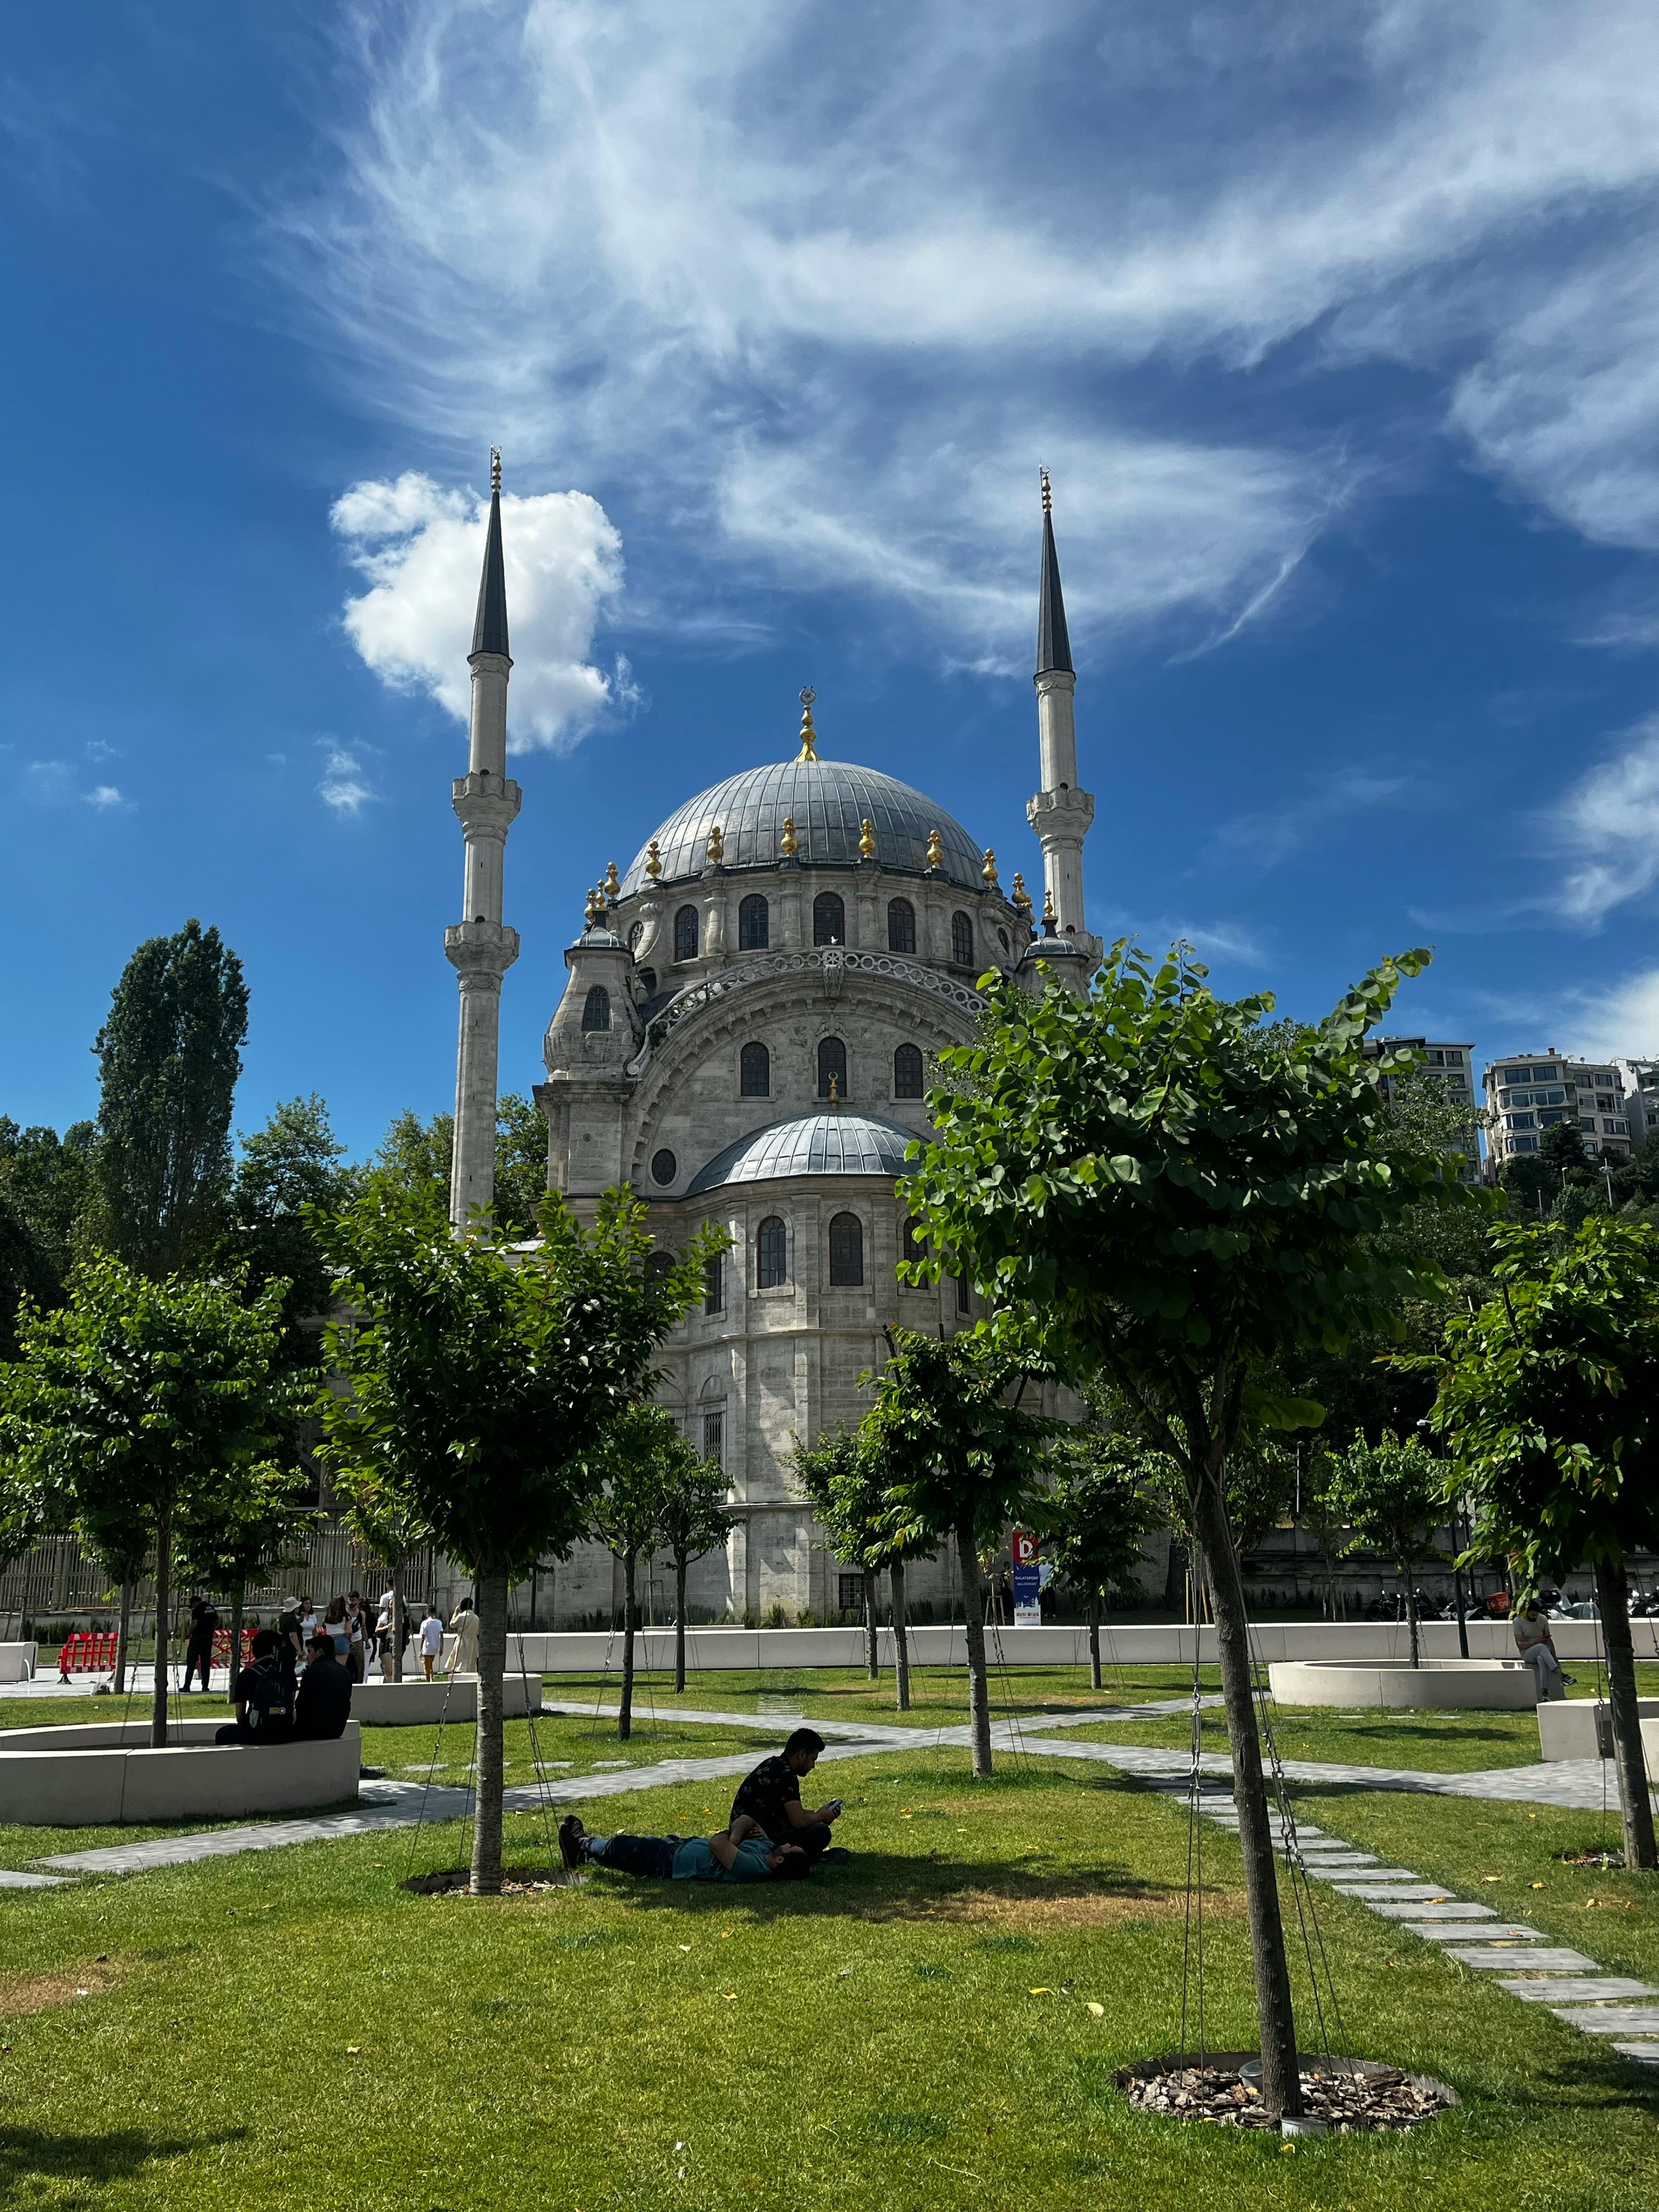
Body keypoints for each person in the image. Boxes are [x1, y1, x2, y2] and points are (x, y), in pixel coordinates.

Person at [558, 1812, 811, 1882]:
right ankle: (580, 1857)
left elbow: (716, 1843)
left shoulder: (753, 1868)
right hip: (679, 1846)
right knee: (625, 1857)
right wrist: (735, 1840)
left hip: (672, 1862)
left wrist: (732, 1839)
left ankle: (582, 1842)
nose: (787, 1844)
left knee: (623, 1846)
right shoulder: (766, 1848)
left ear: (781, 1861)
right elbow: (746, 1819)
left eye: (789, 1849)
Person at [727, 1728, 843, 1860]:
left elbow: (794, 1813)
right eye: (813, 1759)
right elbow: (799, 1821)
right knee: (821, 1832)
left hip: (749, 1834)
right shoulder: (786, 1775)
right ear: (802, 1755)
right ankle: (810, 1858)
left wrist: (819, 1813)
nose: (813, 1766)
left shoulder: (773, 1764)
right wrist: (821, 1816)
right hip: (759, 1840)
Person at [215, 1629, 295, 1745]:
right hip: (285, 1733)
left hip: (257, 1734)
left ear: (254, 1651)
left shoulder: (247, 1674)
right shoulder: (287, 1672)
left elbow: (240, 1715)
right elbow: (292, 1702)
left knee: (222, 1734)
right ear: (274, 1649)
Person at [294, 1630, 354, 1740]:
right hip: (338, 1729)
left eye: (310, 1652)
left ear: (320, 1652)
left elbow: (301, 1704)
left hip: (312, 1729)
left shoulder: (313, 1672)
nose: (307, 1657)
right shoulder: (344, 1672)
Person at [1514, 1600, 1574, 1700]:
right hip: (1527, 1652)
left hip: (1543, 1651)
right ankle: (1561, 1674)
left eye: (1536, 1615)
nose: (1535, 1618)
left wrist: (1554, 1657)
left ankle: (1544, 1693)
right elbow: (1520, 1644)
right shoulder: (1518, 1622)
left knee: (1541, 1659)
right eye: (1532, 1615)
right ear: (1527, 1612)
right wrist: (1536, 1641)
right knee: (1541, 1646)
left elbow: (1548, 1639)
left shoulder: (1543, 1619)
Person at [182, 1594, 221, 1694]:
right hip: (208, 1638)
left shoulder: (197, 1609)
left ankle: (187, 1686)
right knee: (206, 1663)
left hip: (197, 1638)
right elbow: (216, 1621)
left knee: (191, 1662)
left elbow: (194, 1623)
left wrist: (188, 1633)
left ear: (195, 1603)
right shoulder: (211, 1608)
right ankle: (205, 1686)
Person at [448, 1596, 481, 1677]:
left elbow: (452, 1624)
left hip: (462, 1641)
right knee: (471, 1662)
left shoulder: (462, 1616)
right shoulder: (476, 1618)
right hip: (473, 1642)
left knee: (460, 1660)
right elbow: (478, 1631)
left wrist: (456, 1613)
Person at [419, 1602, 445, 1681]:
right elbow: (442, 1636)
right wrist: (441, 1648)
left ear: (427, 1612)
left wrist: (421, 1650)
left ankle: (429, 1681)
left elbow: (423, 1638)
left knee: (427, 1668)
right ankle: (431, 1680)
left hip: (427, 1648)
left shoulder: (425, 1623)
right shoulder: (439, 1623)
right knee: (430, 1665)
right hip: (435, 1648)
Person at [323, 1595, 350, 1663]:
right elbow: (349, 1632)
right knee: (340, 1666)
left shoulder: (327, 1617)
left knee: (329, 1665)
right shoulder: (346, 1617)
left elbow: (324, 1628)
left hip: (328, 1641)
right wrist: (349, 1640)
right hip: (341, 1640)